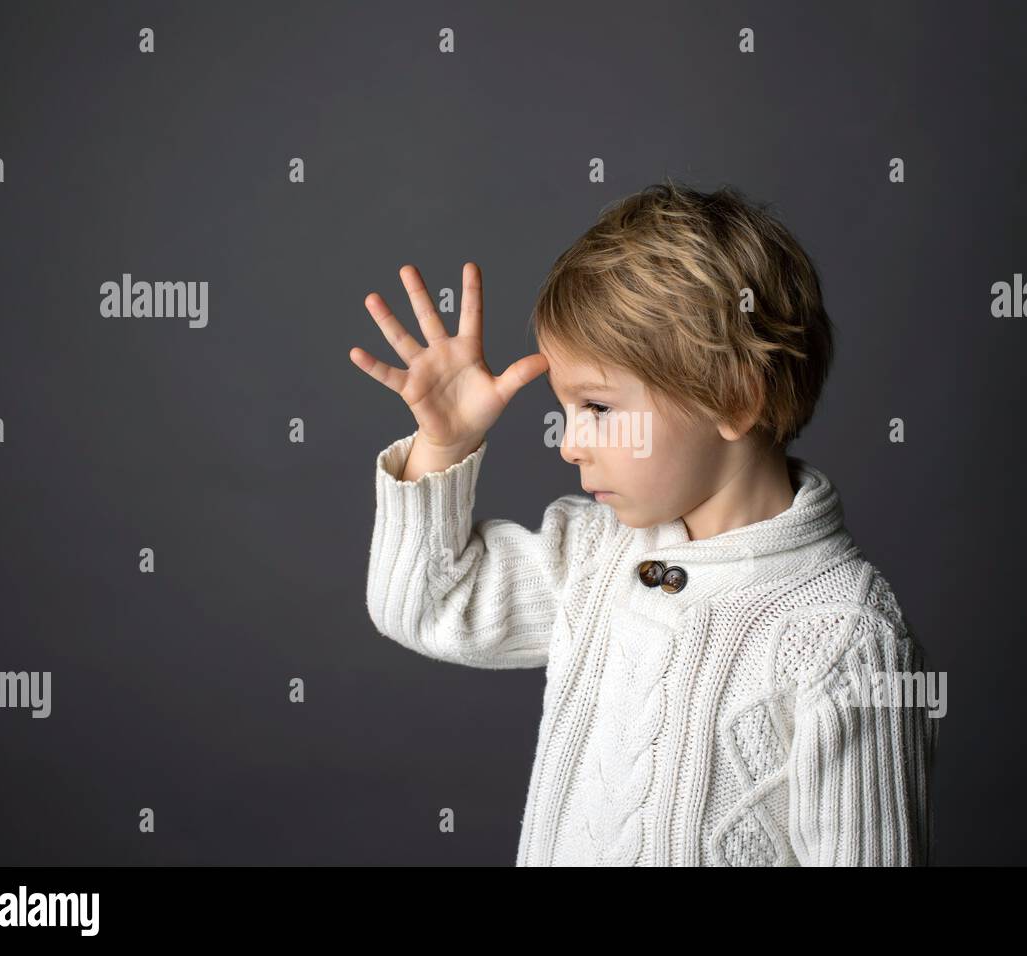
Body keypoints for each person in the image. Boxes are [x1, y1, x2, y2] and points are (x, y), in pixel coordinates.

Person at [350, 179, 939, 866]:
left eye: (597, 407)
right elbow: (427, 605)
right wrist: (444, 446)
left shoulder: (843, 634)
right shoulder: (596, 556)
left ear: (734, 397)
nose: (568, 443)